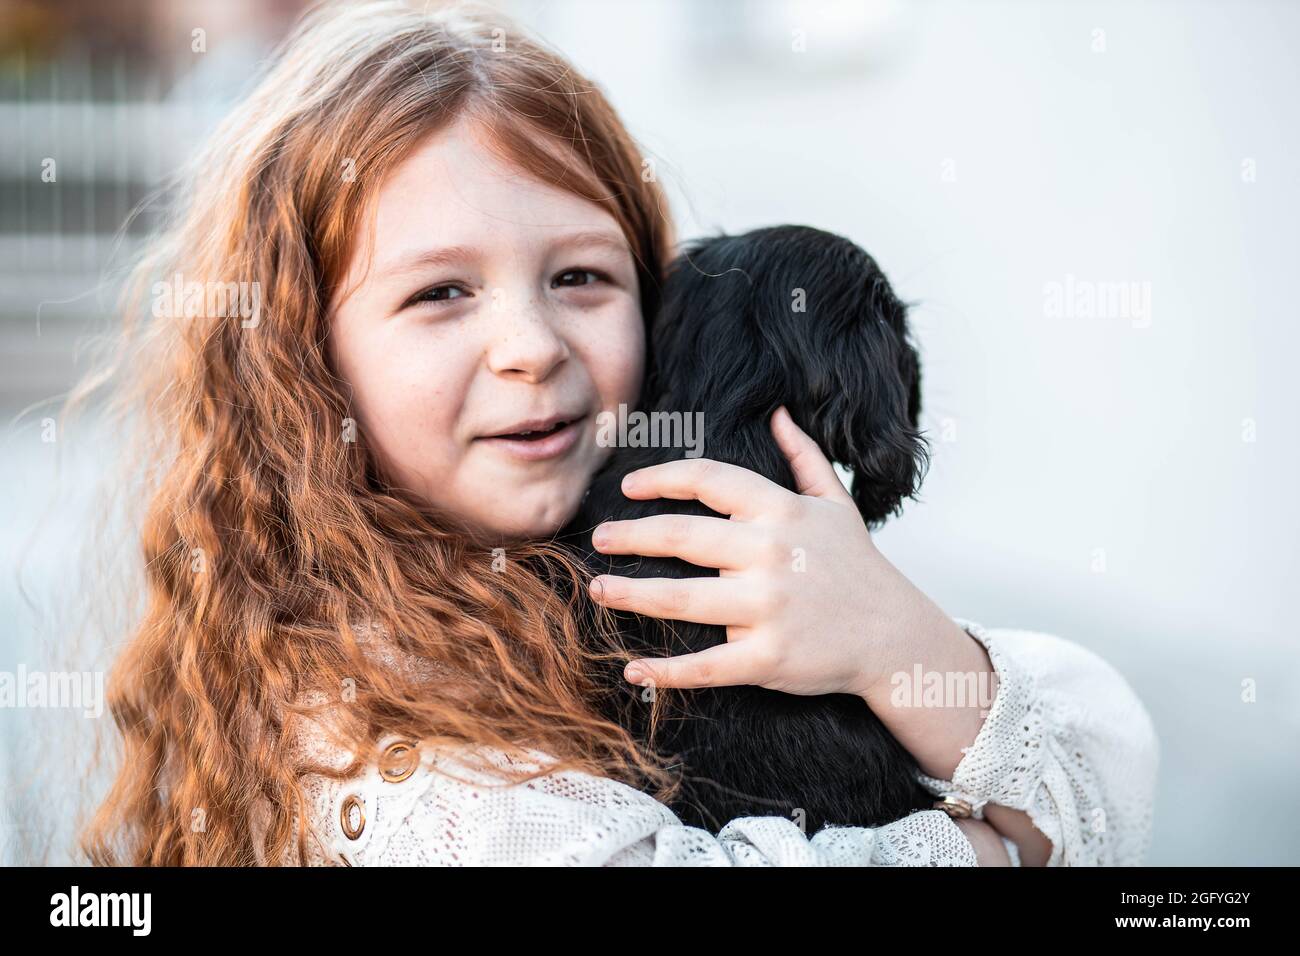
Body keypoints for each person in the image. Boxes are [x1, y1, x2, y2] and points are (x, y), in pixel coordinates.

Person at [80, 0, 1158, 867]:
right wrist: (977, 846)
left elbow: (1107, 768)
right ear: (304, 362)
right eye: (441, 292)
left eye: (581, 276)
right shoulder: (374, 724)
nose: (529, 345)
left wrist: (893, 640)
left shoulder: (644, 572)